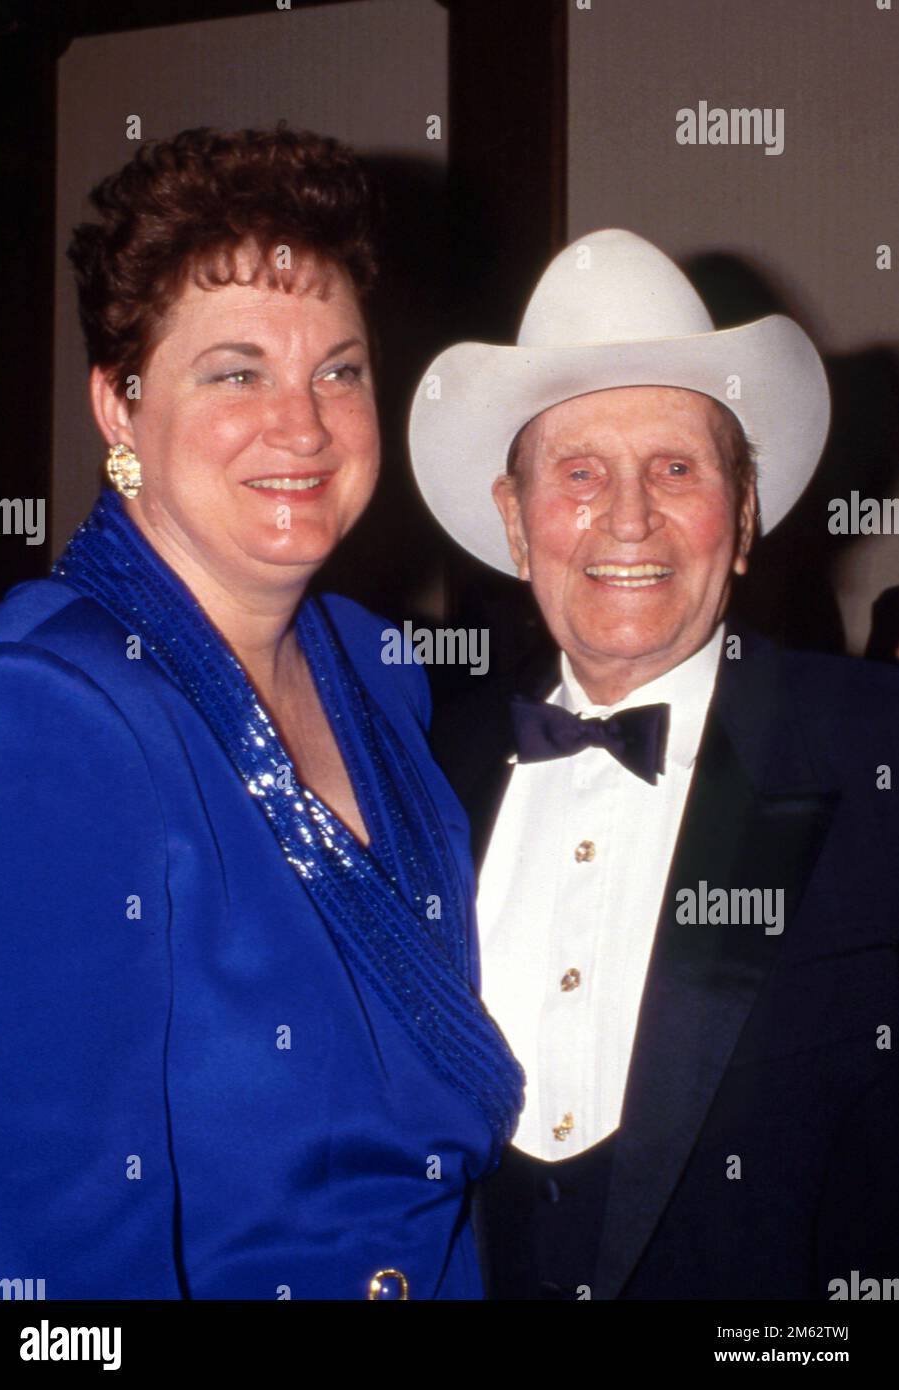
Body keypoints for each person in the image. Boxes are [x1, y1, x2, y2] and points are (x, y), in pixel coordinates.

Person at [0, 123, 523, 1301]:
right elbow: (40, 1278)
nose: (304, 425)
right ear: (119, 411)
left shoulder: (376, 667)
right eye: (236, 372)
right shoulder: (41, 714)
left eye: (338, 367)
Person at [409, 228, 899, 1300]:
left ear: (743, 517)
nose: (626, 515)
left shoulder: (875, 748)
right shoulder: (414, 773)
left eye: (674, 468)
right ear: (514, 521)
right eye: (578, 472)